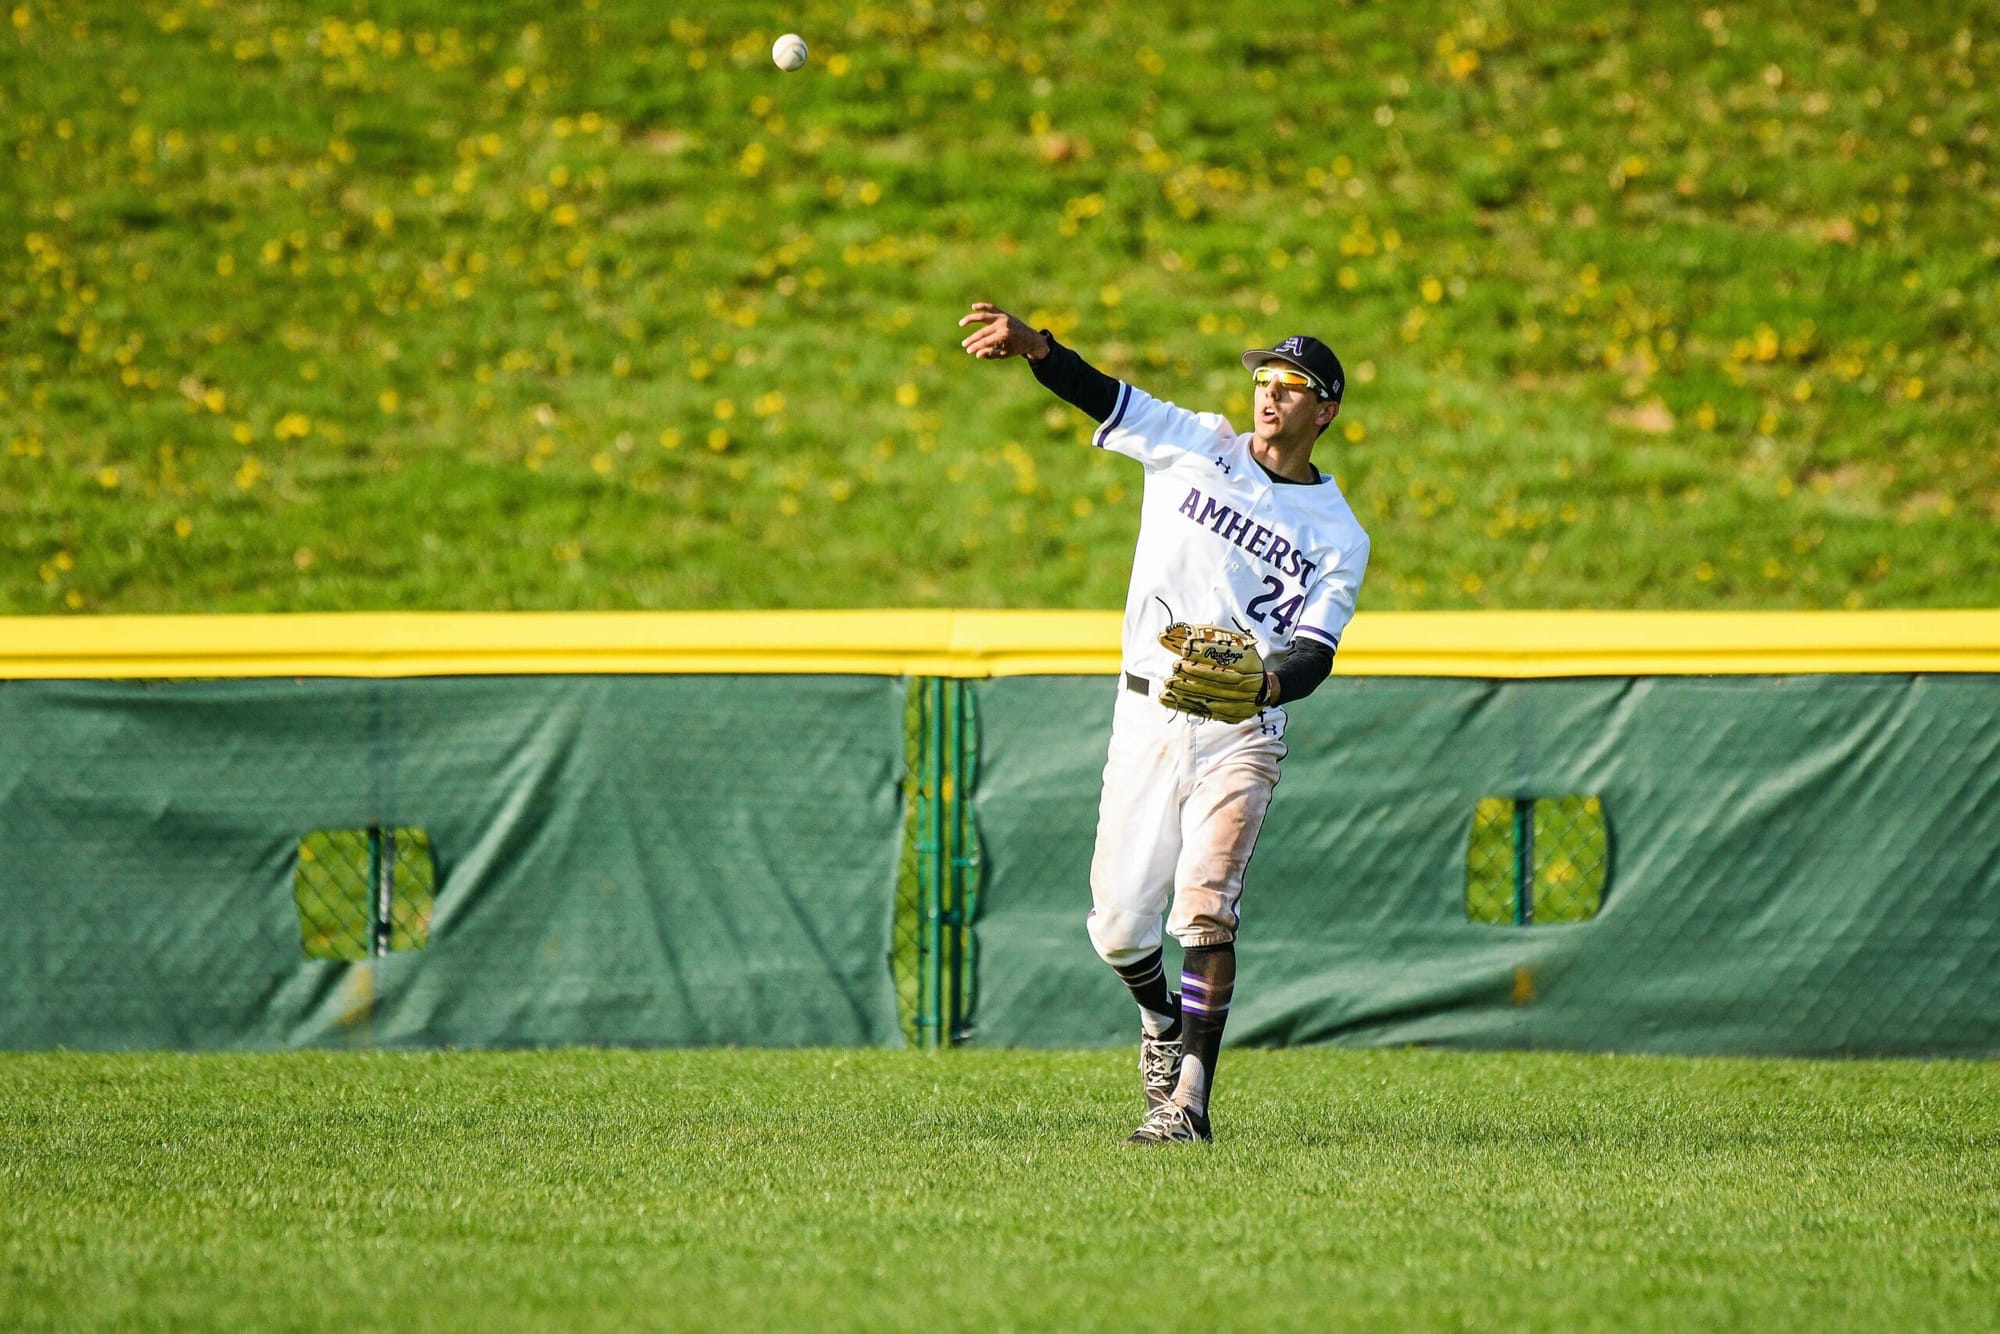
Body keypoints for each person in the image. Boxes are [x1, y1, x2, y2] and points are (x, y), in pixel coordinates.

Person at [957, 302, 1370, 1144]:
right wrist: (1035, 346)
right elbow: (1100, 393)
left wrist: (1264, 687)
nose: (1270, 394)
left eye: (1292, 385)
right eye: (1265, 378)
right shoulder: (1197, 441)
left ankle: (1189, 1102)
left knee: (1205, 909)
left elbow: (1316, 653)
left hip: (1241, 730)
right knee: (1117, 929)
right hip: (1147, 712)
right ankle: (1158, 1019)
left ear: (1324, 411)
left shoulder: (1340, 534)